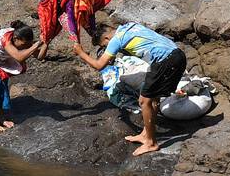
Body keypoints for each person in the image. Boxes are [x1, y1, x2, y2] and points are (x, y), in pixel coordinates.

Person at [78, 20, 187, 156]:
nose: (107, 48)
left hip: (165, 61)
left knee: (144, 101)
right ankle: (146, 134)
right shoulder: (130, 26)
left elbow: (99, 65)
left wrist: (81, 53)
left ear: (106, 38)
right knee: (153, 97)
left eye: (104, 45)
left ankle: (151, 143)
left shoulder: (116, 39)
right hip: (177, 55)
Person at [35, 0, 112, 61]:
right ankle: (40, 47)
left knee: (85, 14)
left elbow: (90, 11)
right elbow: (70, 15)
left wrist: (93, 33)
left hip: (67, 6)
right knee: (47, 36)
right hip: (54, 9)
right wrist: (76, 41)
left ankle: (40, 47)